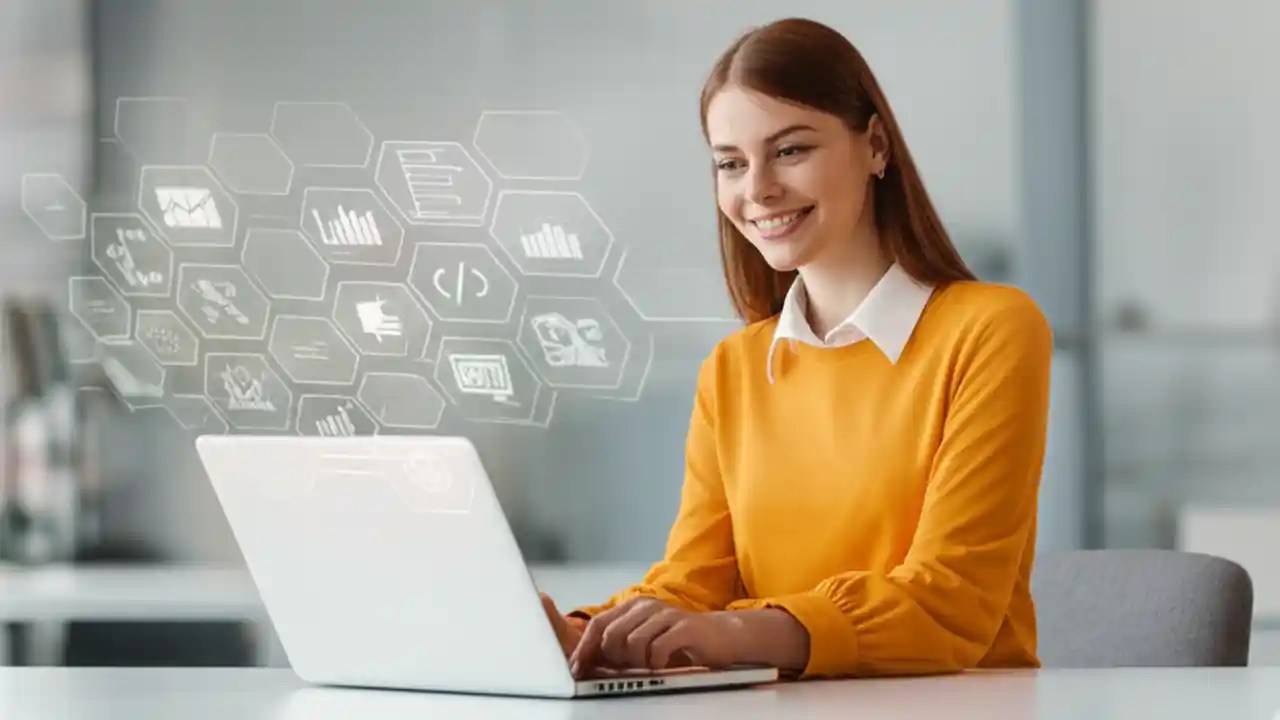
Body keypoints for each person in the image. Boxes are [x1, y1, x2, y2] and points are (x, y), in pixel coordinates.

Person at [541, 16, 1053, 680]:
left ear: (875, 146)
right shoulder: (734, 369)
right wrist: (583, 634)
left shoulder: (990, 330)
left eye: (789, 151)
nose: (757, 189)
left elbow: (951, 604)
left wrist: (732, 633)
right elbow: (696, 583)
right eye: (731, 163)